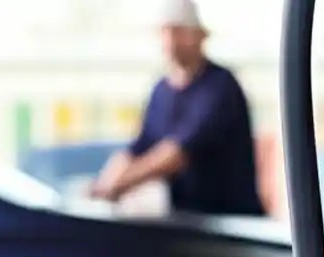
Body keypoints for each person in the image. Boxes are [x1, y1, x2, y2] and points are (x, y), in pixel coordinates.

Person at [90, 0, 265, 216]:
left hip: (229, 223)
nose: (172, 40)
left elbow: (176, 155)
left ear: (200, 36)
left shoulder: (221, 86)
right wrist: (106, 180)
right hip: (184, 220)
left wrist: (118, 185)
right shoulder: (161, 91)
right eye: (166, 32)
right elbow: (137, 148)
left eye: (179, 31)